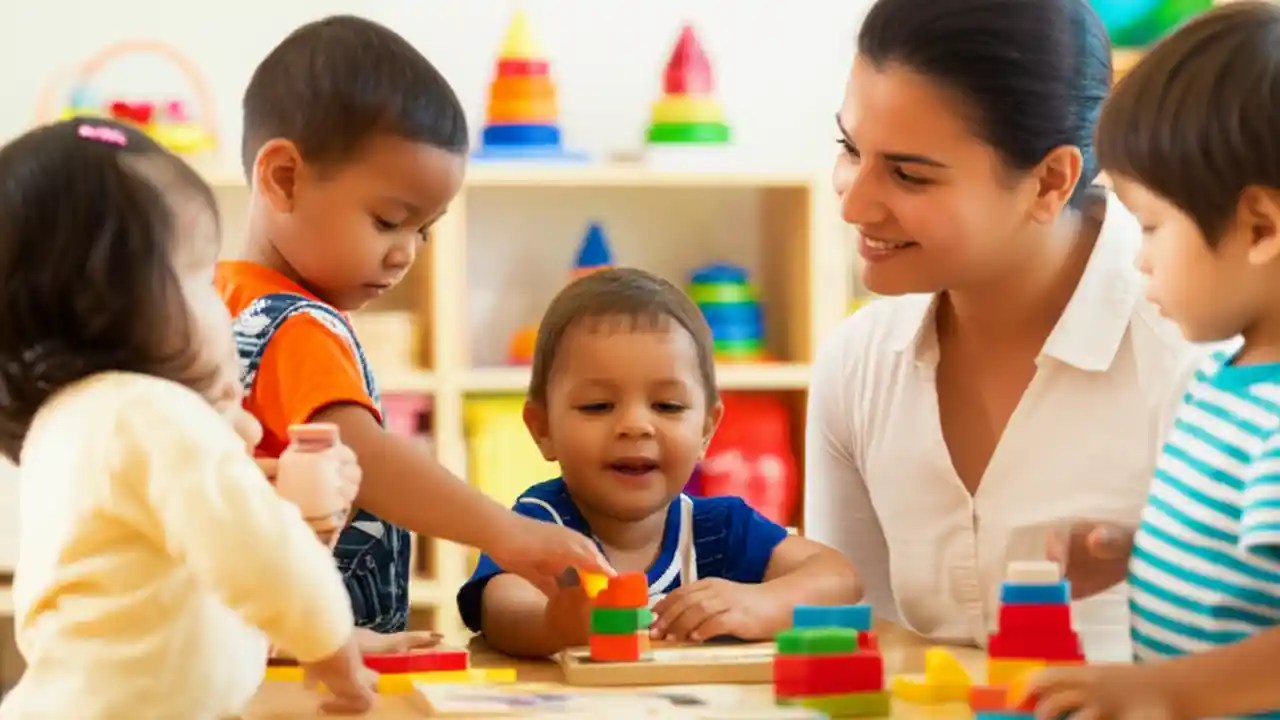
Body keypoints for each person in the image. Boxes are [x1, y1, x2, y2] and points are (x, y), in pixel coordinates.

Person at [803, 0, 1198, 651]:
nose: (853, 203)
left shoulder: (1190, 351)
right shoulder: (859, 363)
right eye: (850, 149)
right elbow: (848, 638)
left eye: (908, 173)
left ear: (1049, 180)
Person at [216, 15, 613, 639]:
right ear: (284, 179)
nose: (406, 253)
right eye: (387, 221)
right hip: (302, 667)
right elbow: (362, 457)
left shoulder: (221, 302)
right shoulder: (297, 325)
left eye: (423, 230)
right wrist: (505, 533)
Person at [0, 119, 374, 718]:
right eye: (202, 277)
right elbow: (256, 551)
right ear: (113, 302)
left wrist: (279, 501)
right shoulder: (152, 411)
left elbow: (204, 579)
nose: (225, 302)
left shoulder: (71, 421)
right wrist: (331, 638)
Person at [1024, 4, 1280, 718]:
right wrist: (1143, 550)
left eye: (1156, 226)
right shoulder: (1227, 378)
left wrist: (1164, 690)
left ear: (1260, 227)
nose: (1139, 260)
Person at [456, 268, 861, 657]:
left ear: (706, 429)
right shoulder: (541, 526)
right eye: (598, 406)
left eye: (667, 406)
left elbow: (839, 576)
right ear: (543, 429)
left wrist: (763, 603)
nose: (635, 426)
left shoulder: (718, 531)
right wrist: (554, 625)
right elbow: (501, 609)